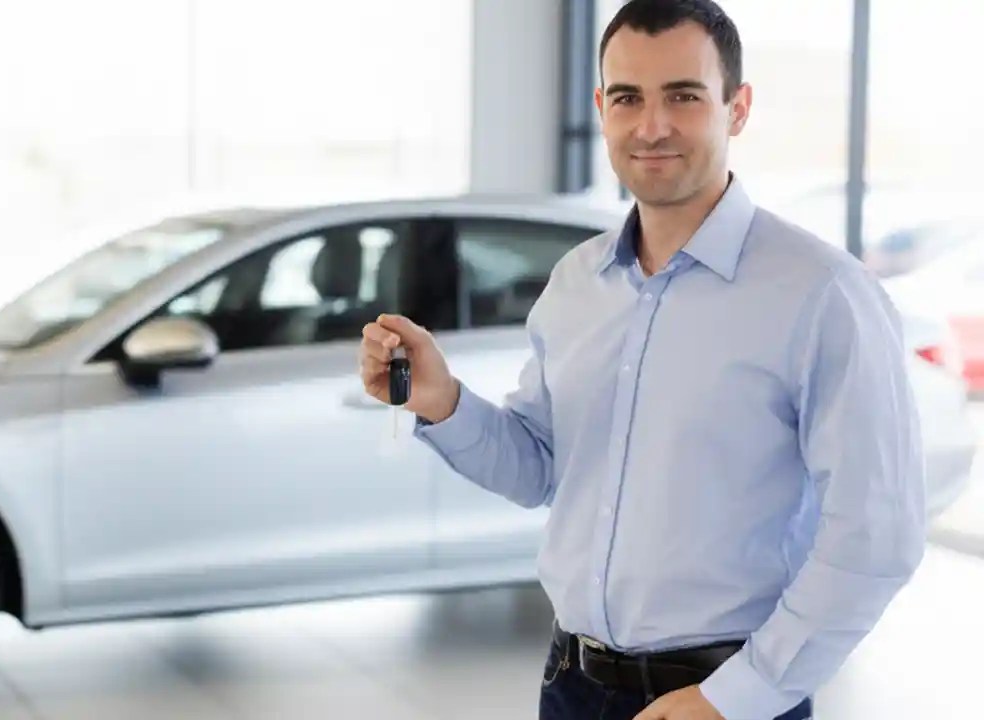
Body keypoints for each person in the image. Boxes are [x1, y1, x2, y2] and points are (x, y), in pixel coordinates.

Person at [357, 1, 925, 718]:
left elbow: (876, 536)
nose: (651, 126)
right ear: (600, 108)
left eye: (683, 96)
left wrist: (736, 698)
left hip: (725, 698)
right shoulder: (576, 284)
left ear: (737, 108)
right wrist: (440, 400)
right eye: (627, 98)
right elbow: (540, 472)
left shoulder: (823, 295)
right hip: (571, 684)